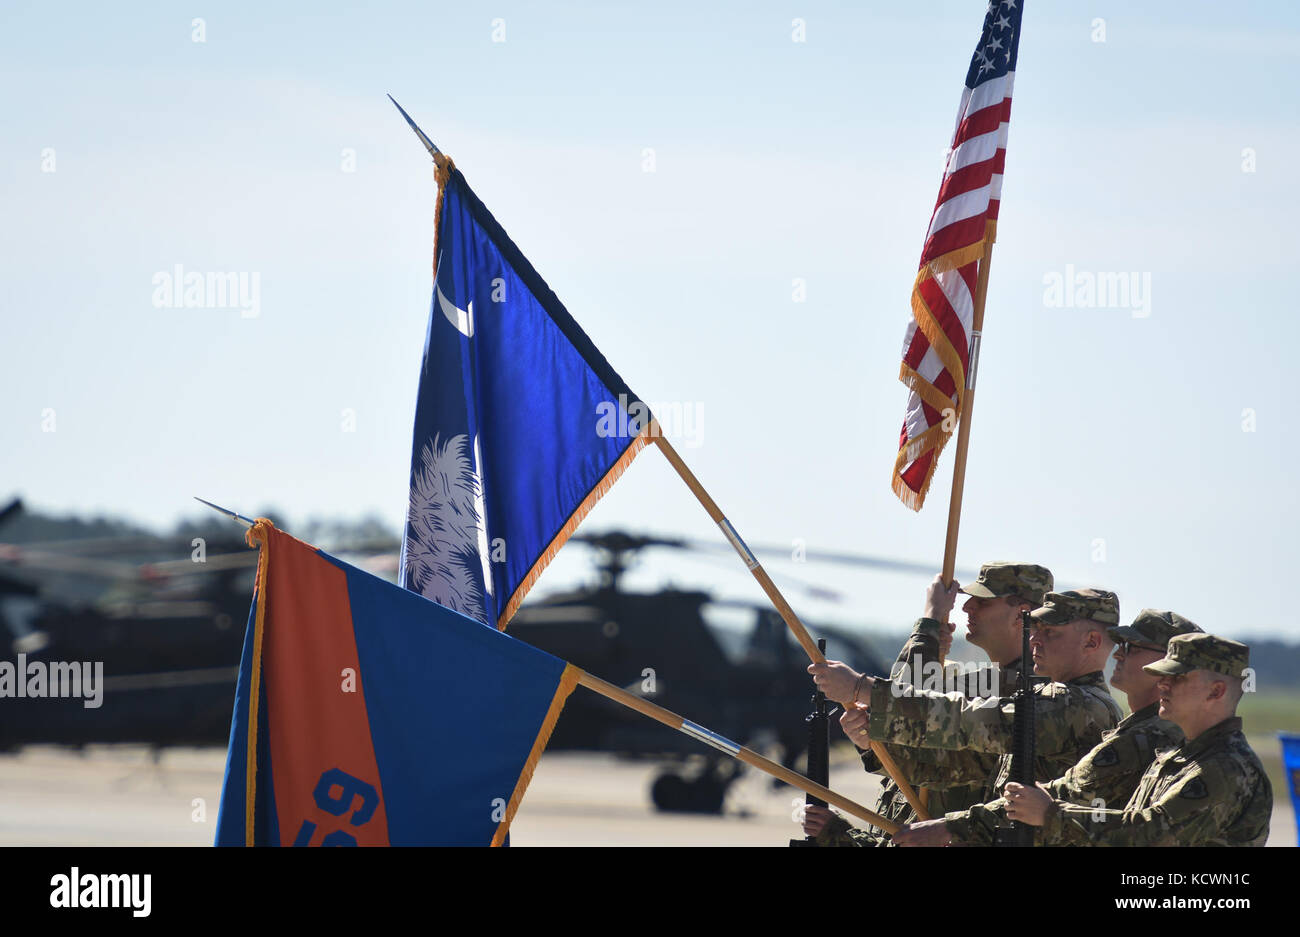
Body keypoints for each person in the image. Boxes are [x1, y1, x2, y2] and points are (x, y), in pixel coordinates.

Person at [847, 589, 1124, 847]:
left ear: (1091, 641)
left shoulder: (1079, 706)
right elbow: (950, 766)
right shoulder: (1045, 698)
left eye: (1050, 632)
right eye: (1036, 629)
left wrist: (865, 689)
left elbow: (967, 720)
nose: (1035, 639)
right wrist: (872, 740)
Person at [802, 562, 1051, 845]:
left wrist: (931, 620)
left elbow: (914, 711)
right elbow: (912, 744)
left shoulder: (1025, 692)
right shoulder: (982, 681)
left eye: (982, 601)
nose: (968, 607)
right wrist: (869, 741)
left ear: (1022, 614)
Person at [912, 609, 1200, 845]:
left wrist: (955, 828)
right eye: (1122, 645)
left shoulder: (1148, 733)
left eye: (1133, 648)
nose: (1119, 654)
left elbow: (1067, 794)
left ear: (1170, 662)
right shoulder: (1140, 727)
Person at [1003, 632, 1272, 846]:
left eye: (1176, 677)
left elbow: (1150, 833)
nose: (1162, 684)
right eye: (1163, 675)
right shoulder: (1177, 755)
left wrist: (1052, 815)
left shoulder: (1226, 768)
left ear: (1216, 691)